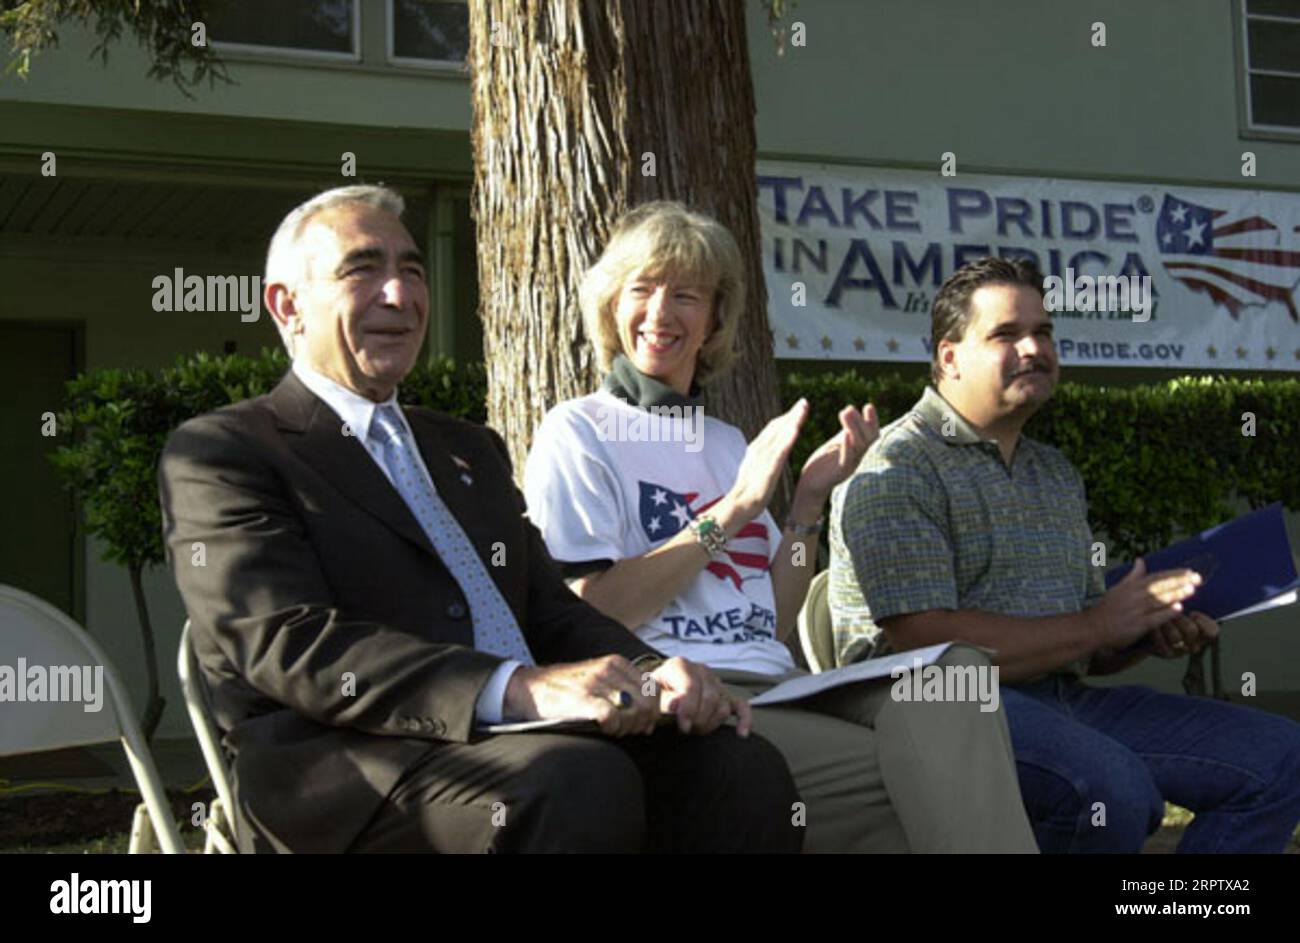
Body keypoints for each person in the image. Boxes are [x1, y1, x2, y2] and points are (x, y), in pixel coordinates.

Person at [157, 185, 803, 854]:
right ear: (288, 306)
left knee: (737, 768)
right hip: (354, 771)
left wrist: (652, 668)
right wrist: (518, 688)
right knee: (578, 783)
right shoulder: (226, 452)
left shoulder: (464, 448)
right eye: (363, 268)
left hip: (529, 743)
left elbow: (548, 608)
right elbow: (290, 642)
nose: (400, 294)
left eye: (412, 270)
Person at [524, 201, 1038, 853]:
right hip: (687, 690)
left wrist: (806, 507)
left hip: (783, 684)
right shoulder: (577, 429)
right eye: (642, 289)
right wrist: (735, 506)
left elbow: (769, 614)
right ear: (611, 307)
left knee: (953, 677)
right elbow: (594, 608)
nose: (660, 313)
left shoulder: (724, 440)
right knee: (925, 783)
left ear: (713, 319)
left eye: (685, 294)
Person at [829, 255, 1300, 853]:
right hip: (941, 709)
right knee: (1110, 792)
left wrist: (1140, 631)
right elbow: (926, 643)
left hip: (1060, 701)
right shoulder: (900, 467)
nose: (1034, 348)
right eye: (1006, 334)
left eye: (1043, 331)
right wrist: (1098, 623)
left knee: (1279, 759)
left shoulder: (1053, 473)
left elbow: (1086, 645)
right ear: (949, 357)